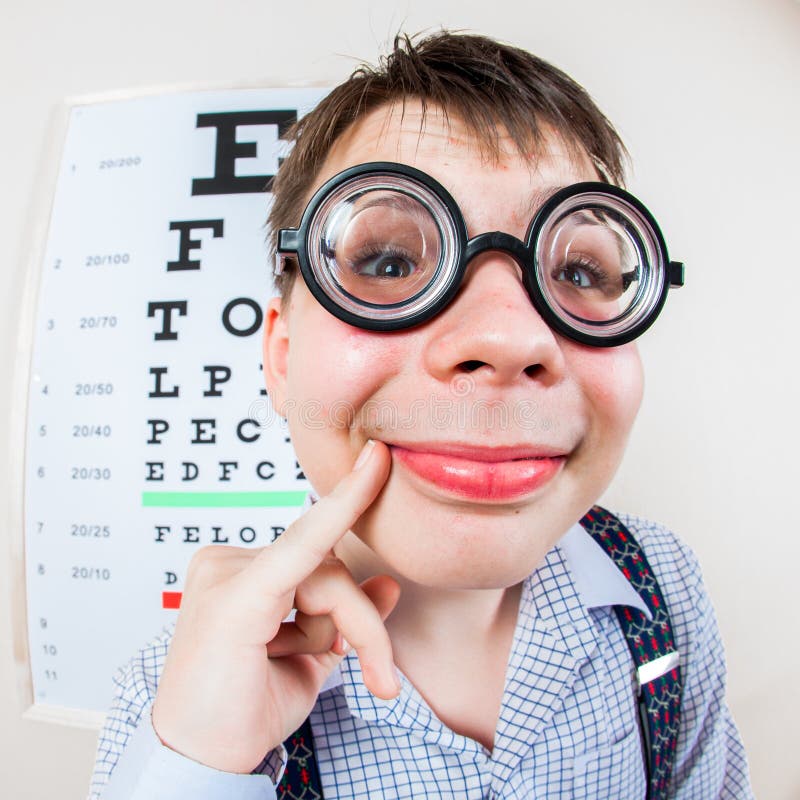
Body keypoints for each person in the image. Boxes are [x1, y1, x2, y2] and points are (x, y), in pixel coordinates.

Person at [89, 31, 752, 799]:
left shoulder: (664, 588)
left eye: (578, 269)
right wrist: (197, 770)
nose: (508, 338)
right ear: (280, 354)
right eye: (389, 263)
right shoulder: (173, 704)